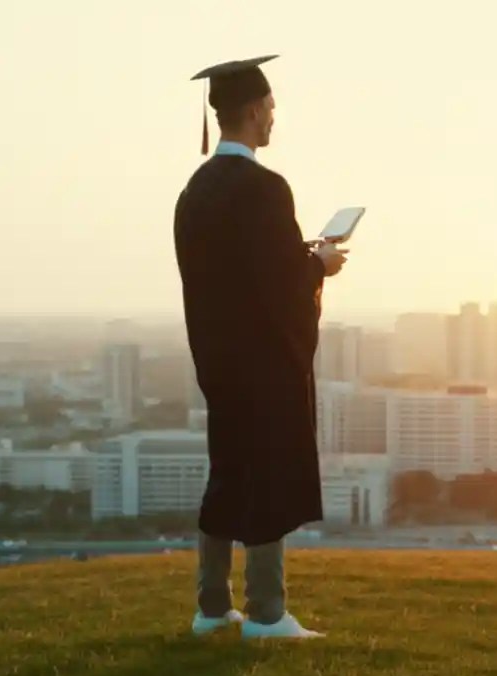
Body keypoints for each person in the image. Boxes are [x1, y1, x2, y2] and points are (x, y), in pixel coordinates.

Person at [173, 55, 347, 639]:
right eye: (270, 109)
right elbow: (277, 282)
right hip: (265, 367)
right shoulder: (265, 189)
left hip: (219, 367)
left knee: (226, 476)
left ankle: (212, 607)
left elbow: (231, 277)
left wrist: (299, 261)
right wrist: (318, 265)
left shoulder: (194, 191)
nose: (274, 119)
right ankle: (267, 614)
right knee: (269, 477)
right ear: (251, 112)